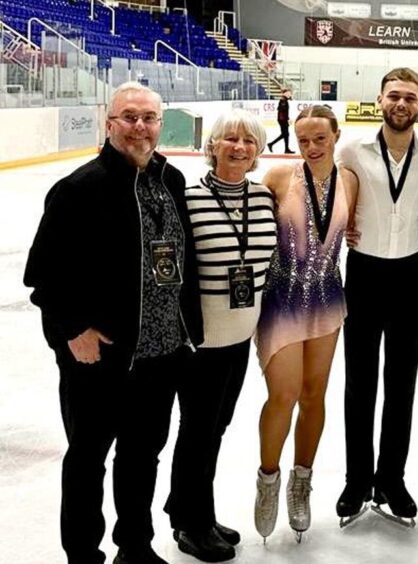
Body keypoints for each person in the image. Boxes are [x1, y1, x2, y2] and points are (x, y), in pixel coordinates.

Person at [24, 81, 204, 564]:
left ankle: (135, 547)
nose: (139, 126)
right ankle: (83, 555)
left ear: (160, 124)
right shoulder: (78, 189)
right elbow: (42, 276)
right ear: (109, 123)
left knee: (142, 457)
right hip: (102, 356)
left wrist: (188, 333)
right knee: (88, 459)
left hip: (162, 353)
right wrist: (71, 331)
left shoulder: (171, 181)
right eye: (129, 117)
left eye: (148, 118)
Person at [335, 68, 418, 526]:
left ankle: (392, 480)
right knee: (359, 383)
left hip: (408, 276)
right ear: (380, 100)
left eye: (410, 98)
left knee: (402, 385)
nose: (401, 104)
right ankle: (356, 479)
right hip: (363, 274)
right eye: (394, 96)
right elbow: (341, 202)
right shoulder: (353, 150)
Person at [163, 110, 276, 561]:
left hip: (240, 337)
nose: (239, 147)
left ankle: (194, 511)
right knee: (197, 430)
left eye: (248, 140)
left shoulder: (263, 197)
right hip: (200, 341)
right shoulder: (189, 199)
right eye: (229, 139)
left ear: (258, 150)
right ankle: (190, 524)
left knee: (216, 429)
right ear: (212, 146)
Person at [253, 105, 352, 541]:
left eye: (320, 139)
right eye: (304, 140)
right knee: (284, 394)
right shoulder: (278, 178)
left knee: (314, 396)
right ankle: (268, 480)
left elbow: (353, 229)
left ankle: (301, 483)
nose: (311, 147)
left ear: (336, 136)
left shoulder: (350, 181)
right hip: (282, 298)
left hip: (328, 299)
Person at [267, 89, 294, 154]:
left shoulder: (284, 100)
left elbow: (285, 112)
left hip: (283, 119)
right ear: (285, 93)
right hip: (282, 120)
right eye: (289, 93)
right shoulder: (283, 100)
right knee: (285, 134)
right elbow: (282, 111)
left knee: (286, 134)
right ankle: (271, 144)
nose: (290, 94)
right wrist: (286, 120)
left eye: (290, 93)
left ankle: (286, 149)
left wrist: (287, 119)